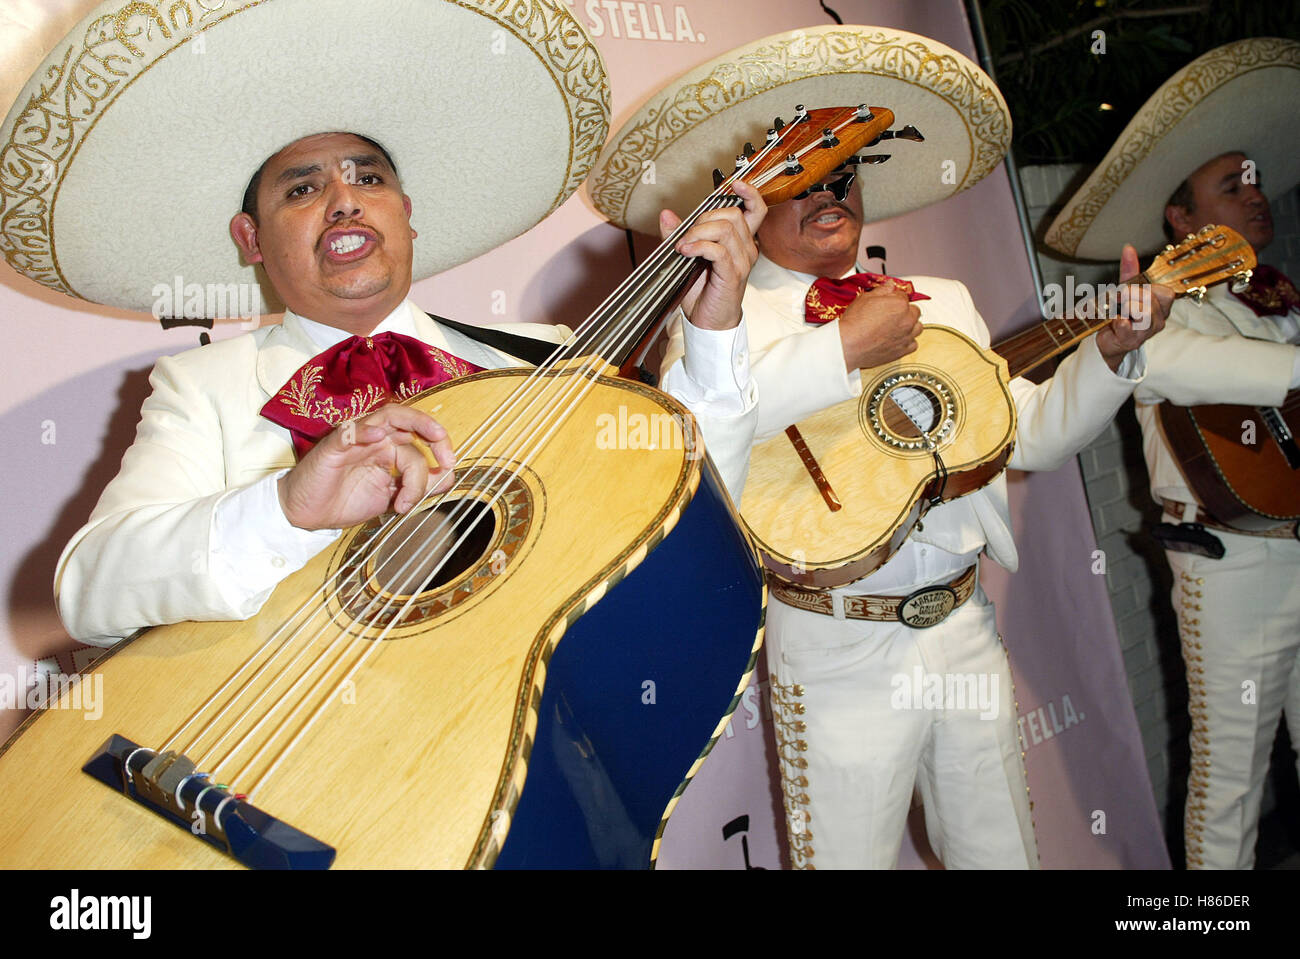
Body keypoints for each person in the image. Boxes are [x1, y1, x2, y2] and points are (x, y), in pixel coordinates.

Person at [589, 22, 1173, 869]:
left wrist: (1113, 357)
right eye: (801, 174)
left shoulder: (941, 298)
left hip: (966, 625)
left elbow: (1033, 434)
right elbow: (701, 463)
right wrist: (840, 349)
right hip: (835, 651)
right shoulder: (712, 329)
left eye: (846, 170)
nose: (832, 189)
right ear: (742, 199)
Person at [0, 4, 763, 645]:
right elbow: (89, 588)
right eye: (302, 188)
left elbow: (683, 506)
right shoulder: (202, 387)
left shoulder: (549, 359)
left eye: (369, 177)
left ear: (407, 216)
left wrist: (713, 332)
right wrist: (286, 508)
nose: (344, 198)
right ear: (252, 240)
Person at [1047, 37, 1300, 869]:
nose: (1255, 195)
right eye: (1232, 186)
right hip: (1229, 566)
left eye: (1256, 179)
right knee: (1229, 783)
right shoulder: (1153, 315)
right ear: (1181, 221)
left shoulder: (1276, 296)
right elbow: (1192, 367)